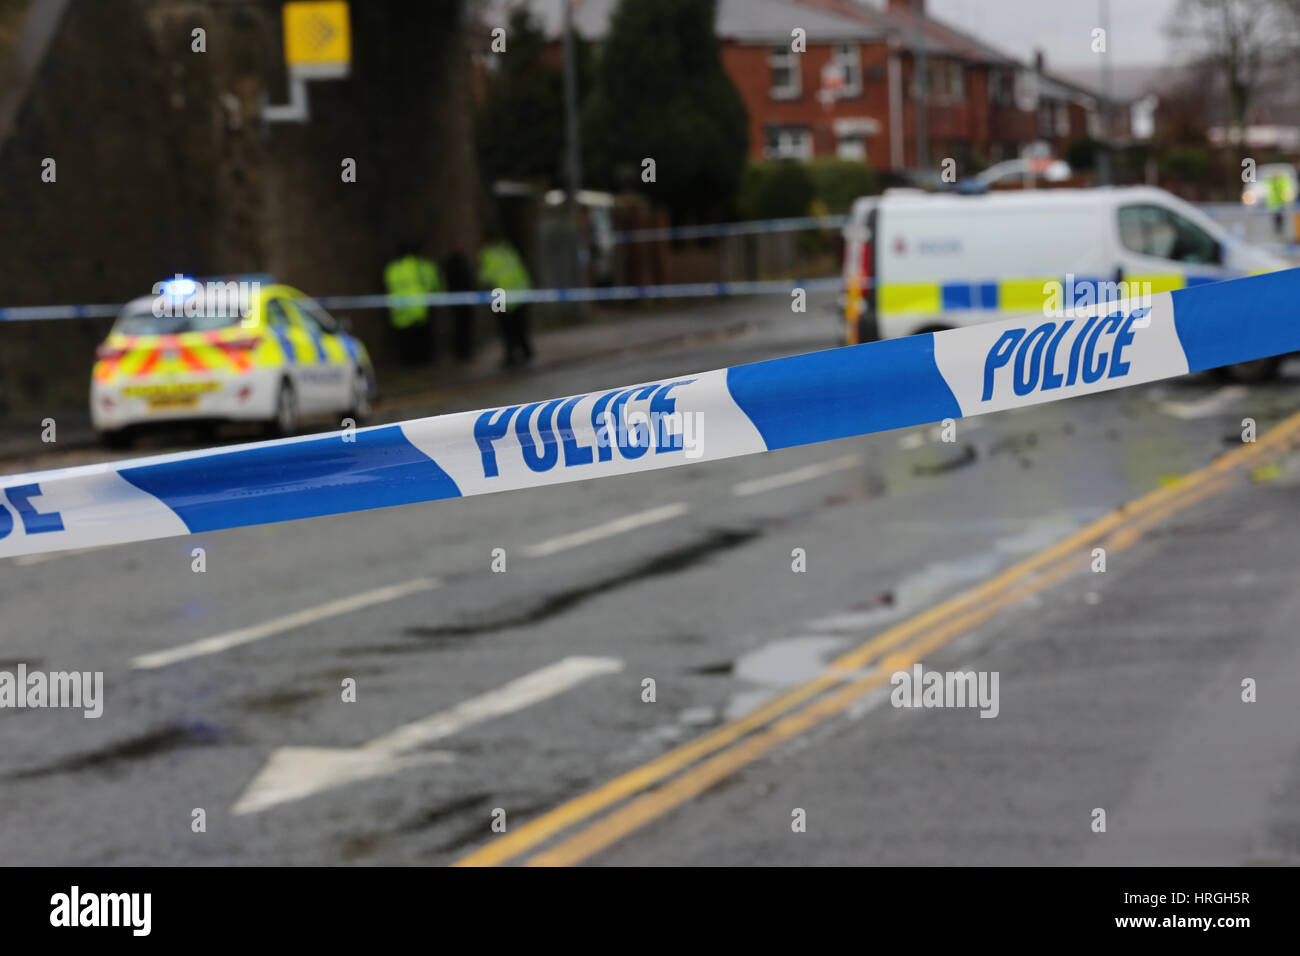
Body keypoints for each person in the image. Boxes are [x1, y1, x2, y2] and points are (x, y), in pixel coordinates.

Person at [383, 239, 444, 365]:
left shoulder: (391, 269)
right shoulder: (416, 265)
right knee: (421, 338)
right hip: (417, 307)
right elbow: (427, 283)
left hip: (400, 309)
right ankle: (421, 361)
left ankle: (409, 362)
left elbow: (389, 286)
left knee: (405, 340)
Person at [478, 236, 533, 368]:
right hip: (518, 293)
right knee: (519, 324)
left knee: (505, 326)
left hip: (499, 294)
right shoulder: (509, 251)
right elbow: (520, 271)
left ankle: (511, 354)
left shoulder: (487, 254)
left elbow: (485, 277)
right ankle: (524, 351)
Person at [442, 247, 477, 362]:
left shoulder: (460, 264)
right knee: (461, 326)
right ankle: (462, 351)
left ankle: (464, 350)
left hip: (463, 300)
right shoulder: (456, 265)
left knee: (463, 326)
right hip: (460, 301)